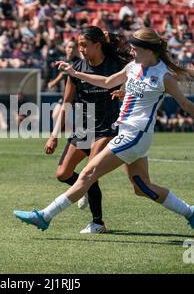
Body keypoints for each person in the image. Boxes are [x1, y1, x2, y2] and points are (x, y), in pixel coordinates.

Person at [14, 28, 194, 242]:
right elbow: (108, 82)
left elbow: (186, 105)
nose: (131, 51)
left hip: (134, 135)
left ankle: (44, 216)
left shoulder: (165, 77)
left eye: (135, 47)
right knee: (141, 187)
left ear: (148, 49)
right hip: (131, 133)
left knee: (88, 175)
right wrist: (77, 74)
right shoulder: (132, 66)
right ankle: (190, 212)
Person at [43, 26, 132, 234]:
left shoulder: (115, 66)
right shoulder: (75, 68)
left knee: (90, 172)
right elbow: (66, 103)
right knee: (63, 174)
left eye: (84, 45)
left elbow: (135, 87)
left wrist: (125, 92)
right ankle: (81, 189)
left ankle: (98, 223)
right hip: (84, 128)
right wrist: (53, 136)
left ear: (97, 45)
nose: (80, 49)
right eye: (79, 45)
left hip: (107, 128)